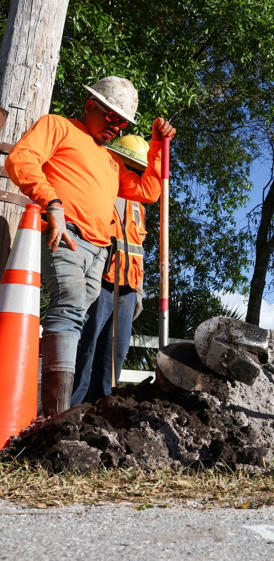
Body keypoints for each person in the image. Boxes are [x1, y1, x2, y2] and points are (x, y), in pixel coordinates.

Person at [5, 76, 176, 417]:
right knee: (68, 309)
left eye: (122, 122)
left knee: (75, 320)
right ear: (89, 106)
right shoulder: (59, 127)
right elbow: (21, 159)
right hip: (67, 234)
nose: (116, 126)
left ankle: (57, 412)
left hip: (99, 253)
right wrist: (52, 202)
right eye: (111, 116)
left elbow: (148, 192)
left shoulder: (111, 161)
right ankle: (56, 415)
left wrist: (157, 145)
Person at [71, 135, 150, 406]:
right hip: (100, 283)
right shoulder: (101, 192)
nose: (134, 173)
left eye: (138, 169)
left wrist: (139, 293)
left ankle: (101, 411)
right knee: (86, 349)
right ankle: (71, 410)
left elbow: (138, 249)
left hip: (127, 291)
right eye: (130, 166)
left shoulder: (139, 206)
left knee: (114, 356)